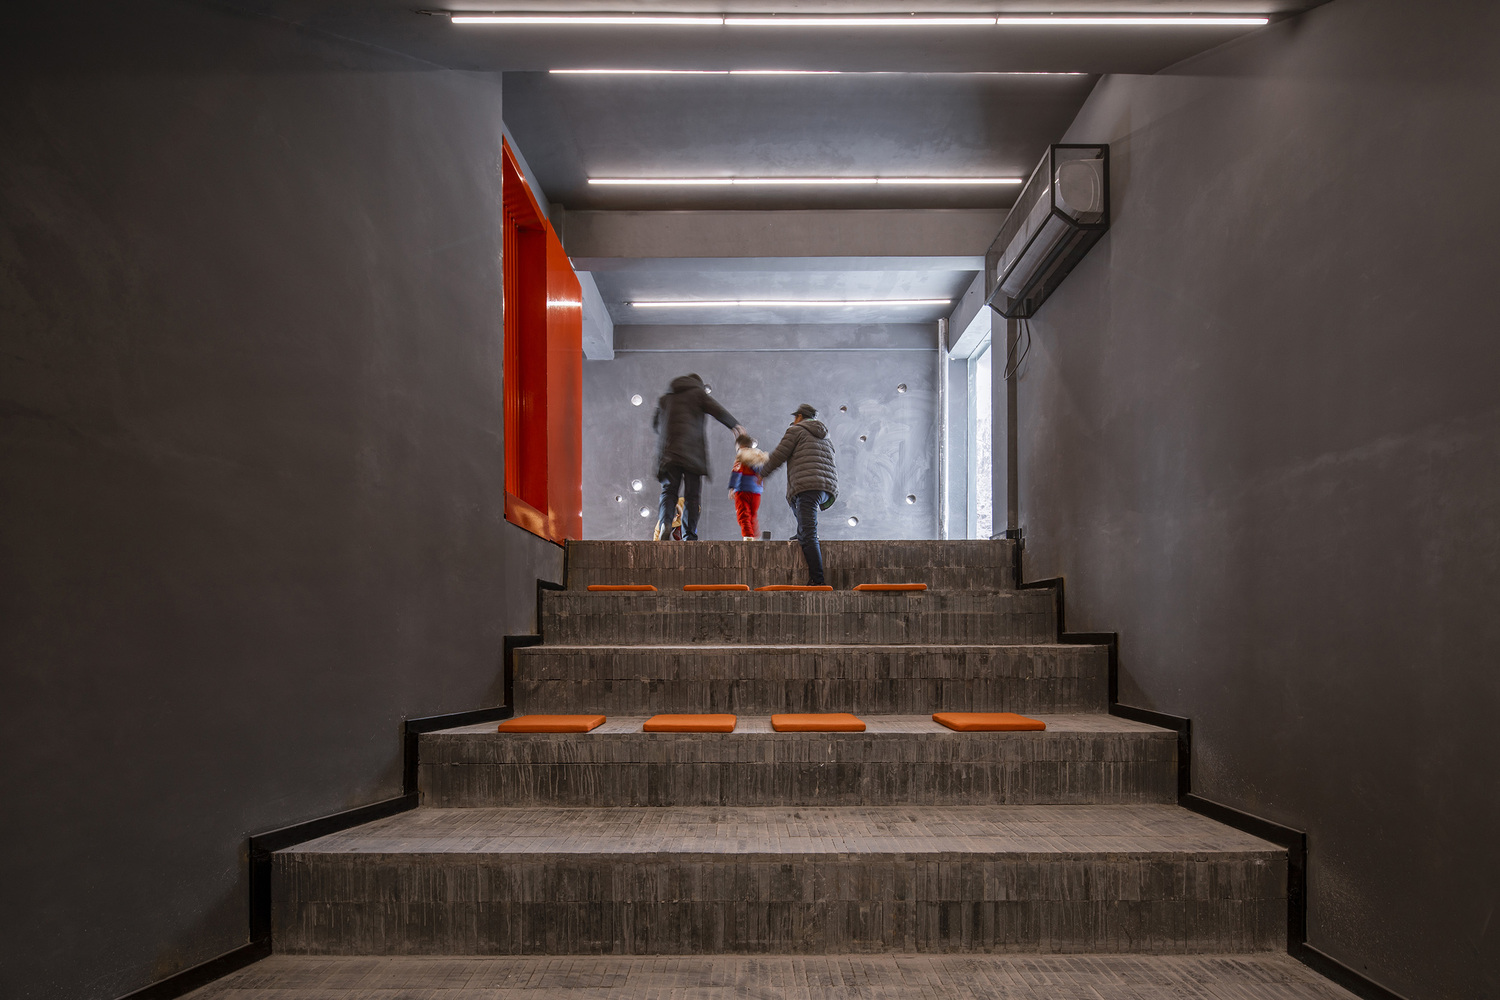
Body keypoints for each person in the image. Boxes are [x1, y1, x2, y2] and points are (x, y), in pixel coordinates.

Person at [651, 373, 742, 541]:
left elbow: (656, 425)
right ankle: (689, 535)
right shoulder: (697, 394)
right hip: (692, 454)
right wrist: (736, 426)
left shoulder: (666, 399)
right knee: (692, 495)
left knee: (668, 491)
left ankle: (665, 523)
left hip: (669, 454)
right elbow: (718, 411)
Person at [758, 403, 838, 585]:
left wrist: (762, 473)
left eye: (795, 417)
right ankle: (801, 532)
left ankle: (818, 581)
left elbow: (779, 454)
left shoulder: (796, 431)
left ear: (800, 417)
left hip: (807, 485)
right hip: (826, 487)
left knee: (809, 534)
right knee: (800, 512)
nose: (793, 421)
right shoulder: (825, 436)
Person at [727, 433, 769, 541]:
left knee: (743, 514)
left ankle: (748, 536)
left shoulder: (741, 457)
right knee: (753, 514)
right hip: (756, 492)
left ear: (740, 447)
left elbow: (736, 472)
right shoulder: (759, 457)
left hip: (742, 490)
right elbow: (762, 474)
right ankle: (754, 535)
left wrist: (732, 487)